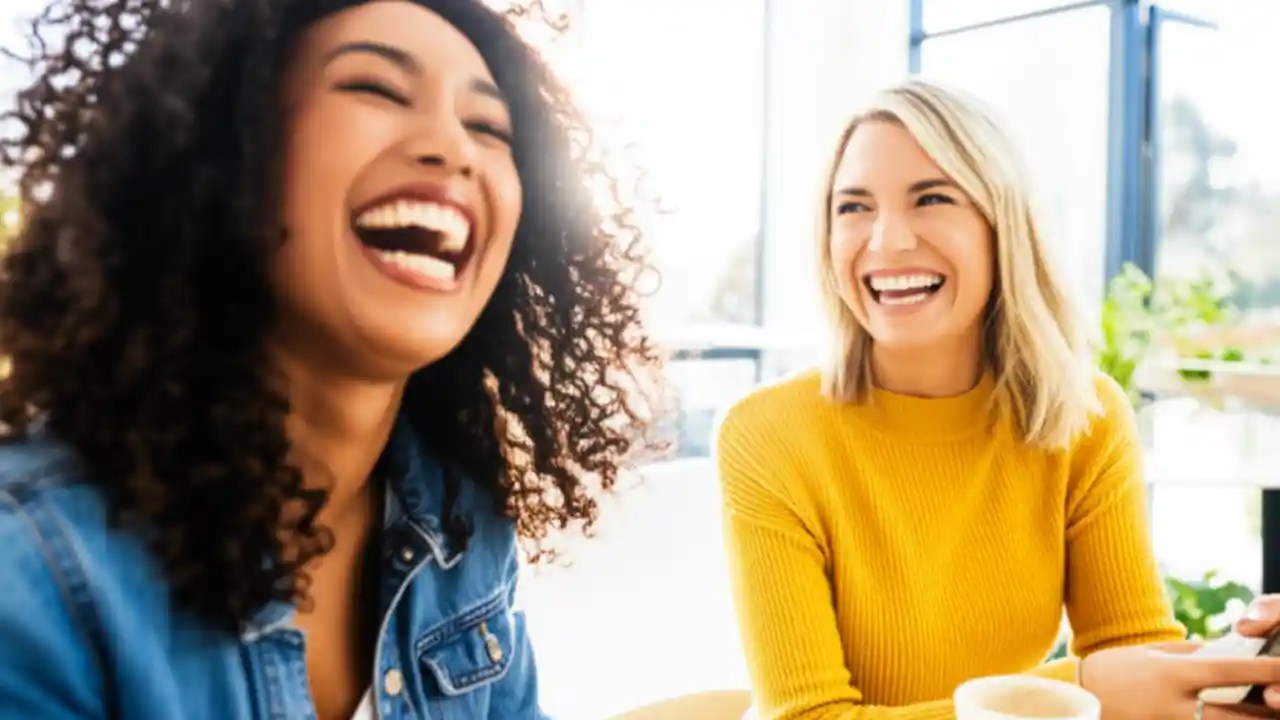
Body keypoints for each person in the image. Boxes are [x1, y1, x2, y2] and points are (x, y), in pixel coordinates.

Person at [0, 0, 661, 718]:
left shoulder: (462, 526)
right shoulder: (33, 567)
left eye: (487, 128)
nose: (453, 147)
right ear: (226, 154)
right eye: (375, 89)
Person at [715, 78, 1280, 720]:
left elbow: (1130, 653)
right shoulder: (769, 435)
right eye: (853, 207)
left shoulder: (1085, 417)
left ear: (1002, 225)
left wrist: (1228, 685)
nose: (887, 240)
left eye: (931, 198)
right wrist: (1072, 694)